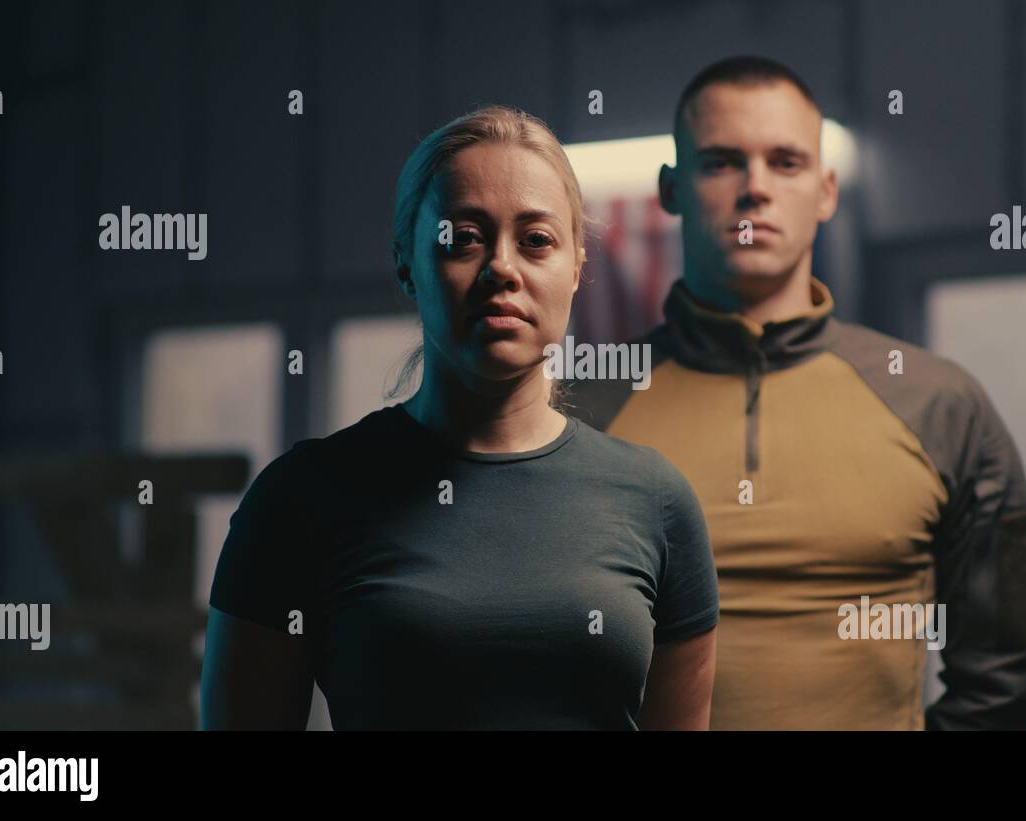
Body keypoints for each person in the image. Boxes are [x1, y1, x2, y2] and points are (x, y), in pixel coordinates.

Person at [565, 56, 1026, 730]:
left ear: (826, 190)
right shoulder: (576, 410)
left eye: (785, 162)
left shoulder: (941, 403)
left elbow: (1006, 674)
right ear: (671, 189)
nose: (754, 188)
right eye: (721, 161)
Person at [200, 105, 718, 730]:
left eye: (536, 240)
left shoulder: (655, 499)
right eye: (463, 238)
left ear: (578, 266)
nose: (502, 267)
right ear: (405, 263)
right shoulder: (301, 497)